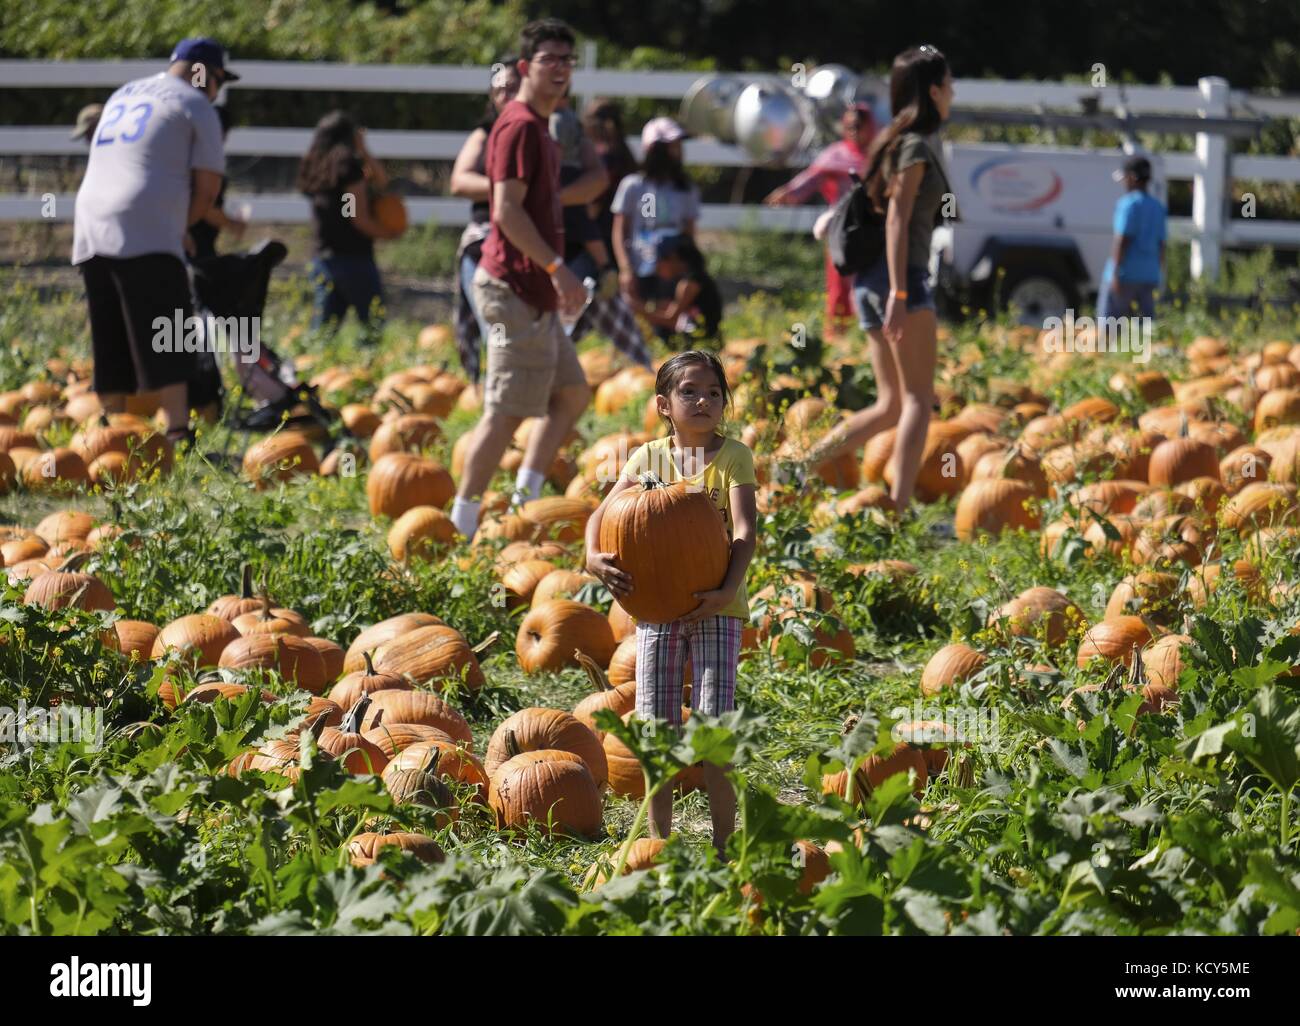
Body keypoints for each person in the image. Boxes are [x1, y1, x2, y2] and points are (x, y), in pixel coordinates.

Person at [584, 350, 757, 857]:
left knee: (713, 732)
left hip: (716, 608)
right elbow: (604, 512)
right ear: (663, 404)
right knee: (656, 733)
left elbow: (745, 531)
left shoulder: (734, 457)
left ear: (725, 402)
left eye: (713, 393)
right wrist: (593, 555)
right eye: (689, 392)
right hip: (656, 611)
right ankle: (661, 844)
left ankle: (726, 845)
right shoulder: (647, 460)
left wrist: (728, 589)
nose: (703, 400)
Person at [788, 46, 954, 516]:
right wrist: (901, 293)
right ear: (935, 91)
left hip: (869, 282)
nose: (954, 93)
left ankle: (801, 465)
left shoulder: (890, 140)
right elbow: (899, 220)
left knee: (891, 405)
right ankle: (897, 509)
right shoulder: (915, 146)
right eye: (950, 84)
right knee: (919, 401)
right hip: (898, 282)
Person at [449, 18, 591, 539]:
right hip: (511, 289)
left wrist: (552, 278)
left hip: (535, 290)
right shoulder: (519, 127)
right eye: (549, 59)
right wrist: (558, 267)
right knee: (506, 411)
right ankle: (461, 522)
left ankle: (523, 498)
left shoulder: (544, 127)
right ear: (527, 67)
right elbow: (506, 211)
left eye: (567, 60)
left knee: (572, 393)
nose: (560, 69)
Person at [71, 36, 234, 445]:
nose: (218, 90)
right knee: (169, 328)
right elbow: (208, 191)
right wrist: (177, 224)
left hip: (90, 216)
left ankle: (110, 430)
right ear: (204, 73)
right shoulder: (197, 105)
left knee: (108, 330)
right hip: (144, 219)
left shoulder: (124, 92)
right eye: (219, 80)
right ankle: (178, 429)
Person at [765, 102, 875, 338]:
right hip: (842, 230)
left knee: (869, 284)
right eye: (849, 126)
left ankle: (868, 334)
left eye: (859, 126)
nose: (854, 131)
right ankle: (838, 337)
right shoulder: (836, 155)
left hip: (874, 231)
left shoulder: (880, 155)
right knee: (840, 285)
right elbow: (811, 178)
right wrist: (788, 193)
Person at [297, 111, 401, 340]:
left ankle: (312, 370)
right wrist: (389, 234)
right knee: (372, 328)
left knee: (322, 333)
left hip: (324, 258)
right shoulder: (348, 168)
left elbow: (353, 206)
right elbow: (357, 216)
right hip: (353, 259)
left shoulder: (316, 167)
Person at [450, 56, 521, 383]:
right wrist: (507, 189)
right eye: (499, 90)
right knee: (497, 331)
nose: (505, 96)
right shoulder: (485, 132)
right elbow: (459, 181)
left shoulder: (548, 129)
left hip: (533, 241)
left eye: (512, 88)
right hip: (488, 241)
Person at [610, 117, 700, 337]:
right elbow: (619, 230)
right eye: (671, 145)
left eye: (678, 145)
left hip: (672, 272)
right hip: (640, 267)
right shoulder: (633, 186)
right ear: (654, 150)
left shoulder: (686, 189)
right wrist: (625, 268)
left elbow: (689, 233)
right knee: (639, 328)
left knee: (670, 328)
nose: (677, 151)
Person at [1097, 155, 1166, 323]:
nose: (1123, 183)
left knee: (1110, 329)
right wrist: (1158, 274)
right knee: (1145, 329)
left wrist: (1115, 273)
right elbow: (1162, 245)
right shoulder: (1158, 207)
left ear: (1133, 178)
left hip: (1126, 274)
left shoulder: (1128, 204)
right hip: (1149, 275)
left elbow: (1122, 240)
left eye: (1125, 178)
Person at [630, 234, 722, 346]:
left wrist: (640, 310)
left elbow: (670, 319)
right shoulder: (693, 277)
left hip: (702, 342)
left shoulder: (689, 283)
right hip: (701, 340)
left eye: (658, 264)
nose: (657, 270)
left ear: (673, 258)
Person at [186, 104, 246, 260]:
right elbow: (204, 206)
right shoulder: (205, 162)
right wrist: (232, 224)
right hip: (194, 247)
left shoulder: (182, 155)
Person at [582, 99, 638, 264]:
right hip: (625, 234)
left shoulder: (605, 158)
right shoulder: (626, 154)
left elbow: (593, 205)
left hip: (603, 235)